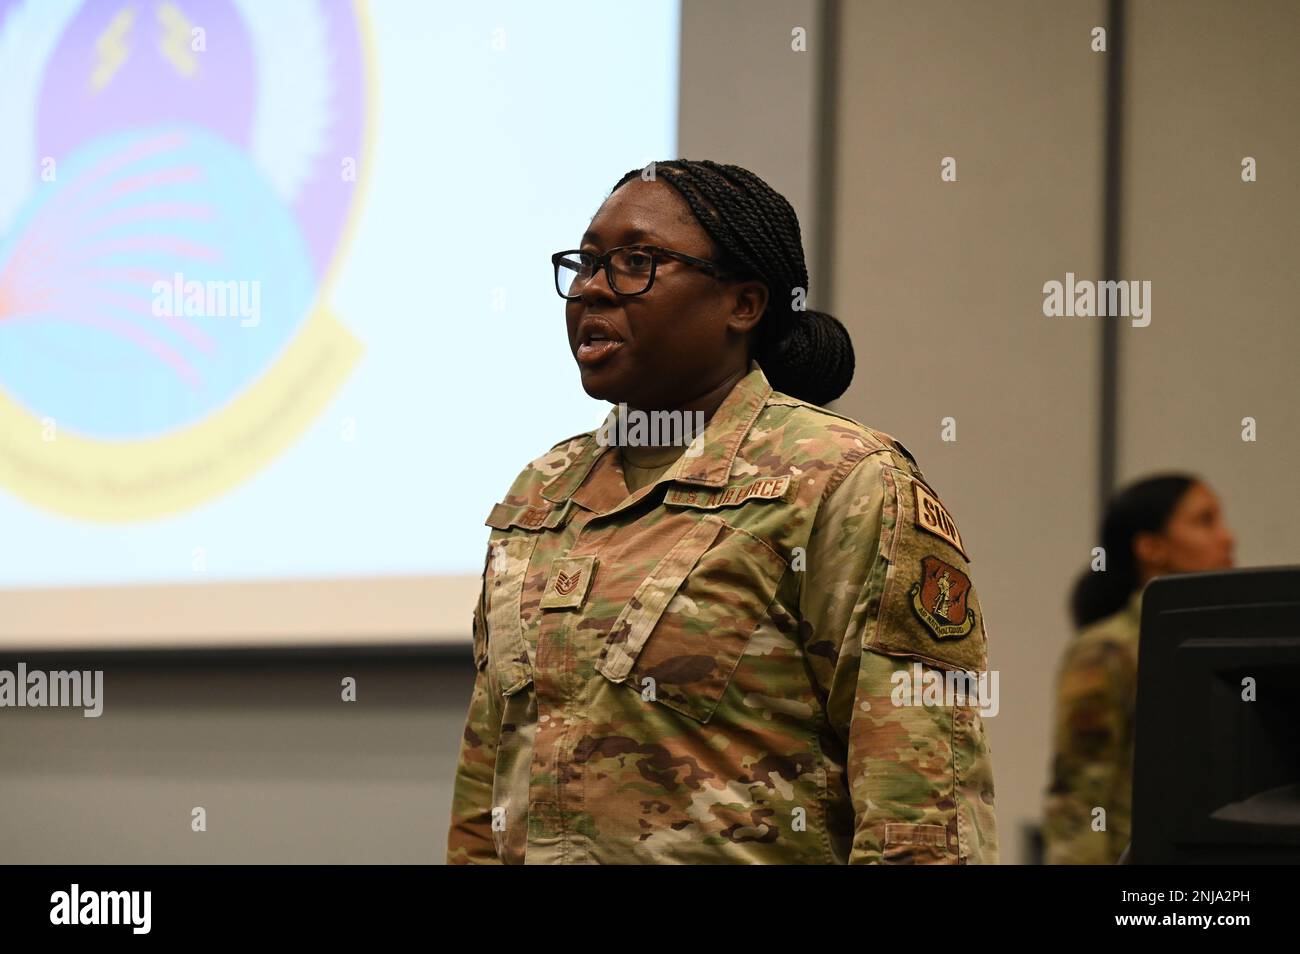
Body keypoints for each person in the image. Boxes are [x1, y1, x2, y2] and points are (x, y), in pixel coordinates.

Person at [447, 159, 997, 864]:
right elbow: (484, 790)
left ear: (742, 304)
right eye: (584, 264)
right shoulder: (540, 495)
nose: (591, 289)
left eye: (636, 262)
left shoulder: (843, 483)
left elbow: (922, 815)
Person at [1043, 474, 1236, 864]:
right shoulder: (1107, 650)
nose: (1227, 538)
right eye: (1204, 522)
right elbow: (1079, 796)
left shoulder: (1231, 643)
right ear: (1151, 547)